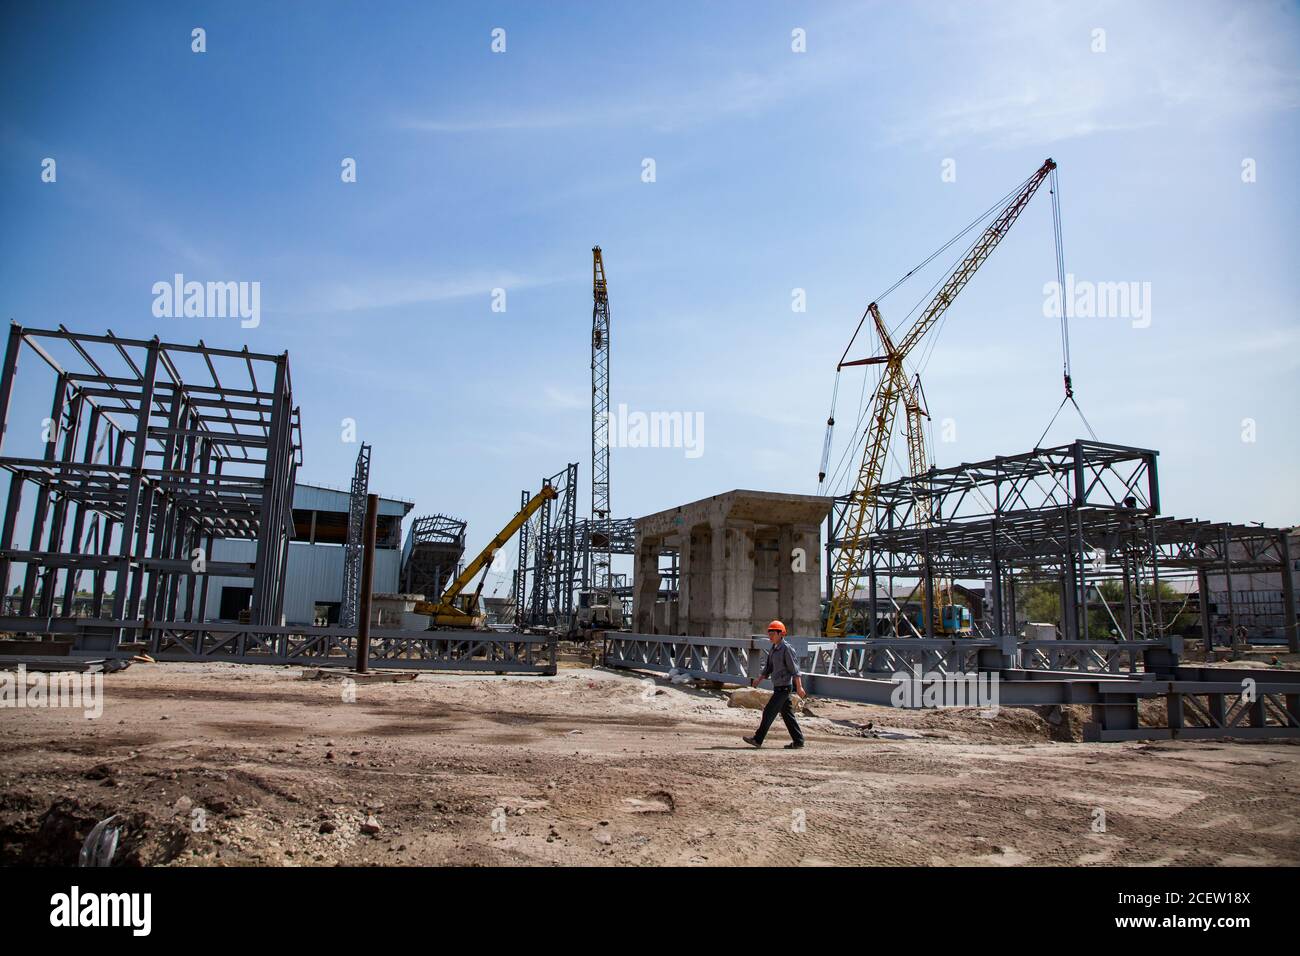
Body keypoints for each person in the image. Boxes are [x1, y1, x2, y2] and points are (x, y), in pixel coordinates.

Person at [743, 620, 806, 749]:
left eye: (772, 633)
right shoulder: (773, 649)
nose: (770, 636)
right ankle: (798, 741)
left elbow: (795, 670)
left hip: (784, 688)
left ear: (780, 634)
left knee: (768, 712)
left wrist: (799, 687)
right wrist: (759, 679)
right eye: (769, 633)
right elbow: (769, 667)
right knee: (788, 715)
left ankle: (757, 739)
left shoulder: (786, 649)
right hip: (778, 686)